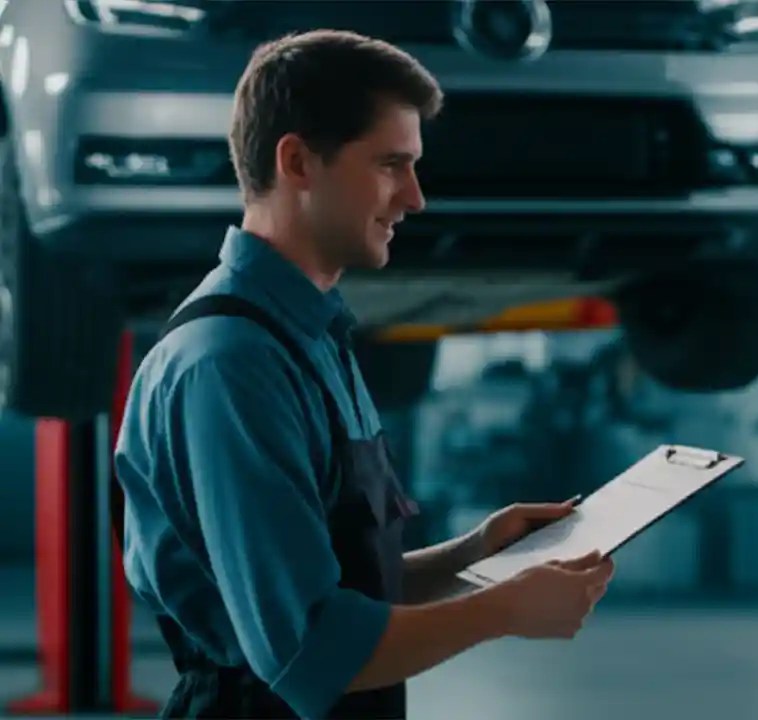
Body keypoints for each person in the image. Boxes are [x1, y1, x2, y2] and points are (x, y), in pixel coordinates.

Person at [112, 30, 615, 719]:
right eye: (389, 164)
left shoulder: (310, 335)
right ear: (298, 162)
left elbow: (335, 584)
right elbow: (311, 647)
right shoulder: (229, 364)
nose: (415, 198)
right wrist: (501, 610)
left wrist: (477, 552)